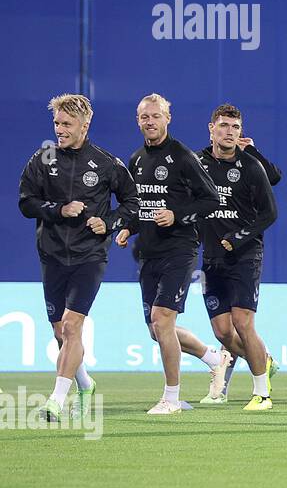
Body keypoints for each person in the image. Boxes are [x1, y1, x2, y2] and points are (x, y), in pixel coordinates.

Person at [20, 94, 138, 422]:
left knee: (73, 325)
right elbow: (26, 202)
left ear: (85, 125)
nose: (59, 129)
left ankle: (55, 402)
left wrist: (110, 223)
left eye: (66, 124)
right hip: (52, 255)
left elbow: (132, 203)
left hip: (90, 255)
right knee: (61, 331)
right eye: (57, 123)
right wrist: (59, 210)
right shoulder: (42, 158)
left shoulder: (106, 163)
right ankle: (85, 384)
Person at [114, 94, 226, 414]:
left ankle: (172, 399)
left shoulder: (182, 156)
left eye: (155, 116)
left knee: (162, 320)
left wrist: (176, 214)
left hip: (180, 248)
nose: (149, 121)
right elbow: (141, 206)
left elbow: (210, 200)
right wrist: (128, 228)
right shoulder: (136, 160)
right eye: (144, 117)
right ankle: (213, 358)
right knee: (156, 329)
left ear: (167, 119)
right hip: (148, 252)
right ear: (138, 121)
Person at [196, 104, 278, 410]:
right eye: (224, 126)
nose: (229, 132)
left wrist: (238, 237)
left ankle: (262, 394)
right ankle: (264, 360)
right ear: (211, 128)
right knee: (223, 333)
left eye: (235, 127)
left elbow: (270, 213)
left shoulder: (250, 166)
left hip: (245, 255)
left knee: (243, 323)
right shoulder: (197, 162)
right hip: (211, 257)